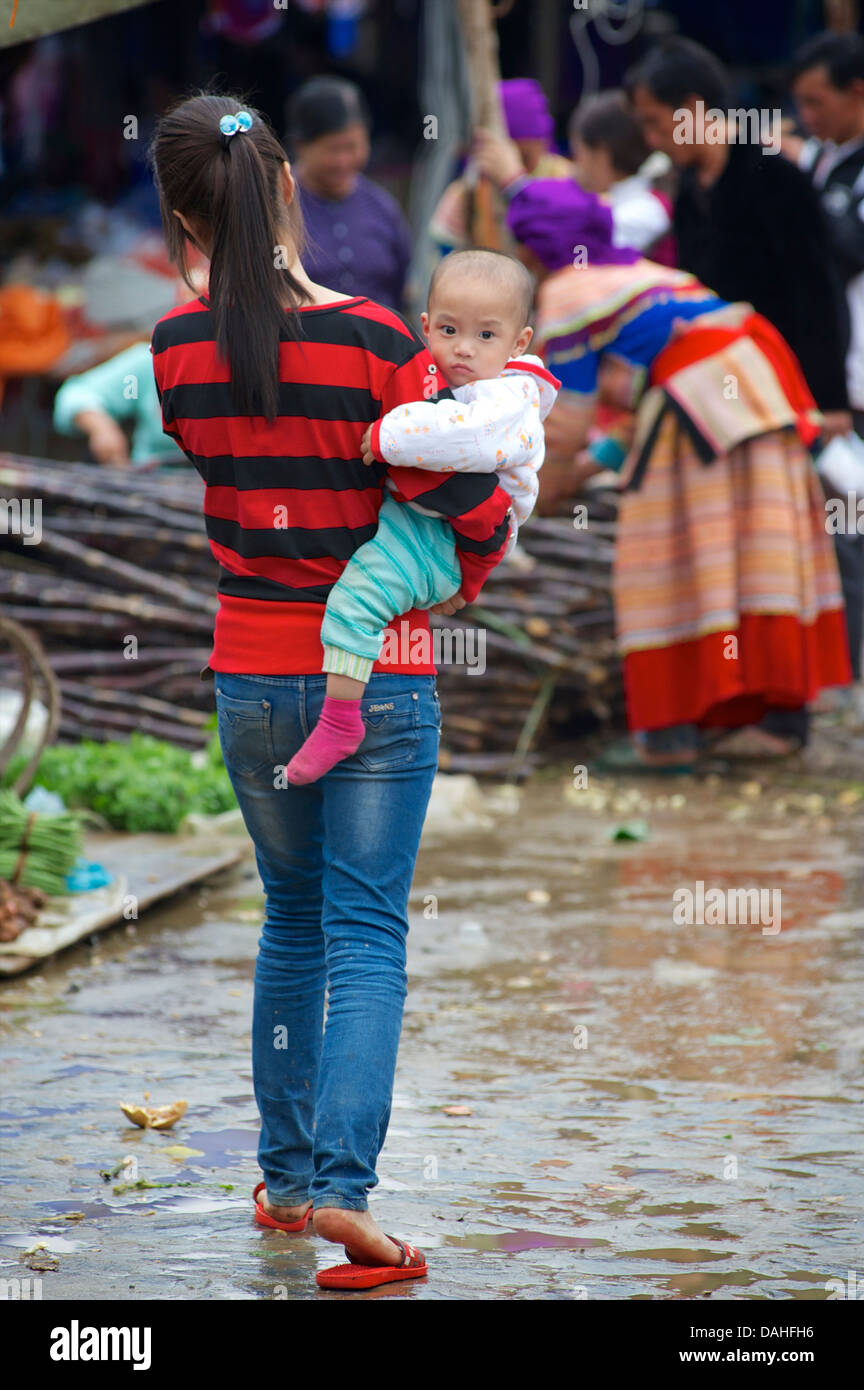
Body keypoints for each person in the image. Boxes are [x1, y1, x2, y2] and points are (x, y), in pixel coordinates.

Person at [149, 94, 513, 1290]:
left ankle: (291, 1182)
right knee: (365, 936)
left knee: (290, 922)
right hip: (377, 675)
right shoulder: (370, 342)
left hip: (249, 670)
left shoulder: (171, 349)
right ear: (288, 187)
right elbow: (461, 496)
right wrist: (489, 524)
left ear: (180, 212)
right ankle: (347, 1201)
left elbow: (229, 467)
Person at [503, 178, 852, 767]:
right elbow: (637, 417)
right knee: (760, 554)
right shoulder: (649, 276)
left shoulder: (565, 292)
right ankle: (760, 719)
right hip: (752, 388)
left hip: (708, 402)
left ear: (532, 250)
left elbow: (564, 420)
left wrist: (546, 479)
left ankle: (676, 734)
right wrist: (583, 469)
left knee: (663, 557)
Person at [284, 248, 560, 785]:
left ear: (519, 343)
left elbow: (462, 436)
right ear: (426, 325)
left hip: (442, 535)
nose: (464, 349)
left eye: (486, 336)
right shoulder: (439, 374)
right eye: (451, 330)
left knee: (356, 599)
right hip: (440, 528)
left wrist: (388, 436)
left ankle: (341, 722)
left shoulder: (506, 396)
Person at [627, 38, 852, 436]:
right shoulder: (689, 194)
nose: (651, 140)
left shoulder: (774, 178)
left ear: (692, 109)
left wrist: (829, 402)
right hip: (723, 394)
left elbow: (817, 292)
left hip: (788, 393)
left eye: (654, 122)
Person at [790, 31, 864, 682]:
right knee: (839, 529)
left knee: (853, 526)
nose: (808, 117)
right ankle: (837, 672)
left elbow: (845, 248)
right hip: (827, 381)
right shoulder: (824, 161)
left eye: (817, 102)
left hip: (856, 382)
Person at [286, 76, 412, 311]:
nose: (344, 161)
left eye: (353, 147)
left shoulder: (383, 209)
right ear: (300, 145)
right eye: (333, 149)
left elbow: (401, 289)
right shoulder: (275, 209)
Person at [430, 77, 573, 256]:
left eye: (541, 142)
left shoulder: (566, 178)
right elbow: (445, 253)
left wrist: (515, 183)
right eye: (519, 153)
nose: (514, 162)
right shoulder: (468, 189)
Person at [568, 90, 676, 266]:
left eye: (578, 154)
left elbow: (582, 256)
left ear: (601, 157)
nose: (574, 168)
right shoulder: (621, 203)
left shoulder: (645, 210)